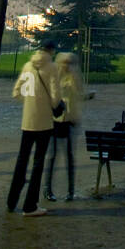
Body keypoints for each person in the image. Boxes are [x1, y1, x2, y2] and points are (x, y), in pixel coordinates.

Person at [7, 40, 62, 216]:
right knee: (38, 163)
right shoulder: (52, 67)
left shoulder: (27, 65)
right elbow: (55, 97)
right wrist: (48, 104)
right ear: (51, 51)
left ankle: (12, 200)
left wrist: (30, 101)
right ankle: (30, 205)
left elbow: (16, 91)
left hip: (27, 120)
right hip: (44, 121)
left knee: (21, 160)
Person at [44, 52, 84, 201]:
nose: (66, 66)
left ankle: (70, 190)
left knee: (69, 157)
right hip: (55, 120)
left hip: (69, 121)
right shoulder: (55, 77)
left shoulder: (74, 77)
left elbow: (79, 92)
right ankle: (48, 188)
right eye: (64, 63)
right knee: (53, 156)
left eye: (69, 63)